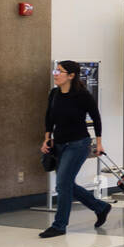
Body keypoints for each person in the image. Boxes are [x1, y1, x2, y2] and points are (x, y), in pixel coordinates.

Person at [38, 60, 110, 237]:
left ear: (71, 76)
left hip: (78, 144)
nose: (55, 73)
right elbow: (49, 117)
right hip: (59, 143)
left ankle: (59, 225)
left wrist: (99, 143)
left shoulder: (82, 95)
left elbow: (96, 118)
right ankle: (100, 207)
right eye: (55, 70)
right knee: (66, 184)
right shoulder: (54, 93)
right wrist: (47, 138)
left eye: (60, 71)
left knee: (63, 183)